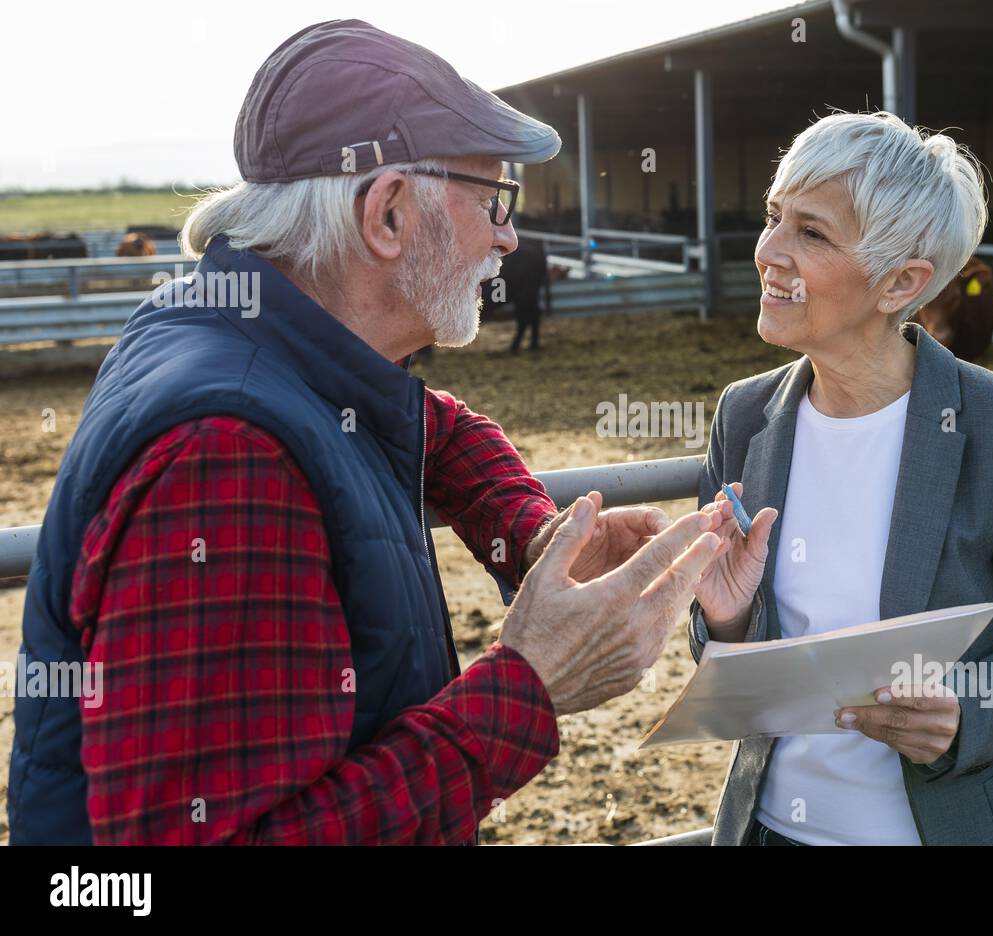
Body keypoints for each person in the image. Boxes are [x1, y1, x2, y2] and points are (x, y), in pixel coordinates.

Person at [8, 19, 723, 845]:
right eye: (493, 201)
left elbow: (426, 425)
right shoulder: (229, 457)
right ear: (386, 213)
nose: (508, 237)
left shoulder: (245, 330)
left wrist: (532, 535)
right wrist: (530, 686)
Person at [688, 111, 993, 846]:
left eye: (811, 233)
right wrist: (726, 620)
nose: (768, 252)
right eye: (774, 216)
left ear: (900, 282)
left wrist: (967, 713)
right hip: (773, 829)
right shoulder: (744, 416)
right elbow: (729, 670)